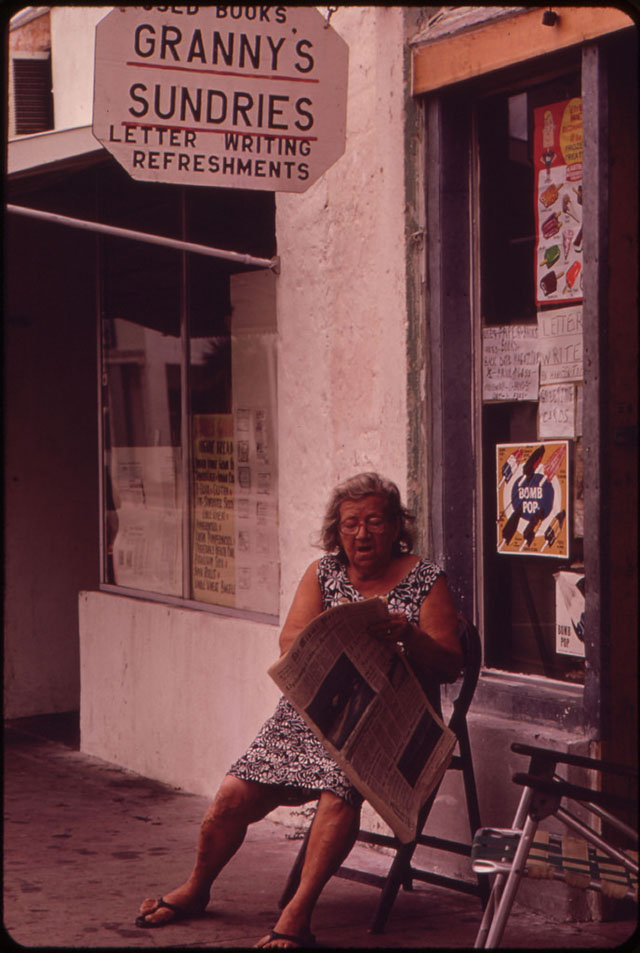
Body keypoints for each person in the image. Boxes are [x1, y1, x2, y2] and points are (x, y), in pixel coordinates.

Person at [136, 472, 463, 947]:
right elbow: (290, 642)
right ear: (337, 530)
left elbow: (451, 663)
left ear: (396, 526)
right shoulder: (323, 572)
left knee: (338, 790)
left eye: (375, 522)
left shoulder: (426, 578)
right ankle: (196, 888)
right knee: (231, 795)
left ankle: (297, 914)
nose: (362, 534)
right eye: (351, 524)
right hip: (315, 712)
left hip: (389, 722)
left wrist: (408, 636)